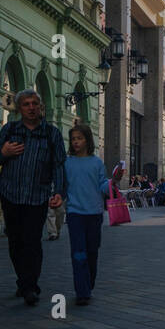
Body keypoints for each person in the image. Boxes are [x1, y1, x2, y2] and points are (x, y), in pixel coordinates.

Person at [0, 90, 65, 306]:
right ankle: (23, 281)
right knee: (15, 241)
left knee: (32, 242)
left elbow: (59, 165)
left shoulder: (52, 134)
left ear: (40, 106)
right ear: (19, 108)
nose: (31, 107)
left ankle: (30, 286)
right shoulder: (10, 130)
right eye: (26, 104)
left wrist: (59, 191)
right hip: (10, 194)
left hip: (37, 195)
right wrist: (4, 153)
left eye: (34, 103)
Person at [63, 124, 111, 305]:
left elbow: (103, 186)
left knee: (91, 252)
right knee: (78, 253)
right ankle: (82, 292)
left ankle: (88, 283)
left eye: (79, 138)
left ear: (87, 140)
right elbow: (63, 186)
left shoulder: (97, 163)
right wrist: (58, 197)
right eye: (73, 138)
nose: (76, 142)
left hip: (94, 213)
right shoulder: (67, 163)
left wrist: (113, 182)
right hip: (75, 213)